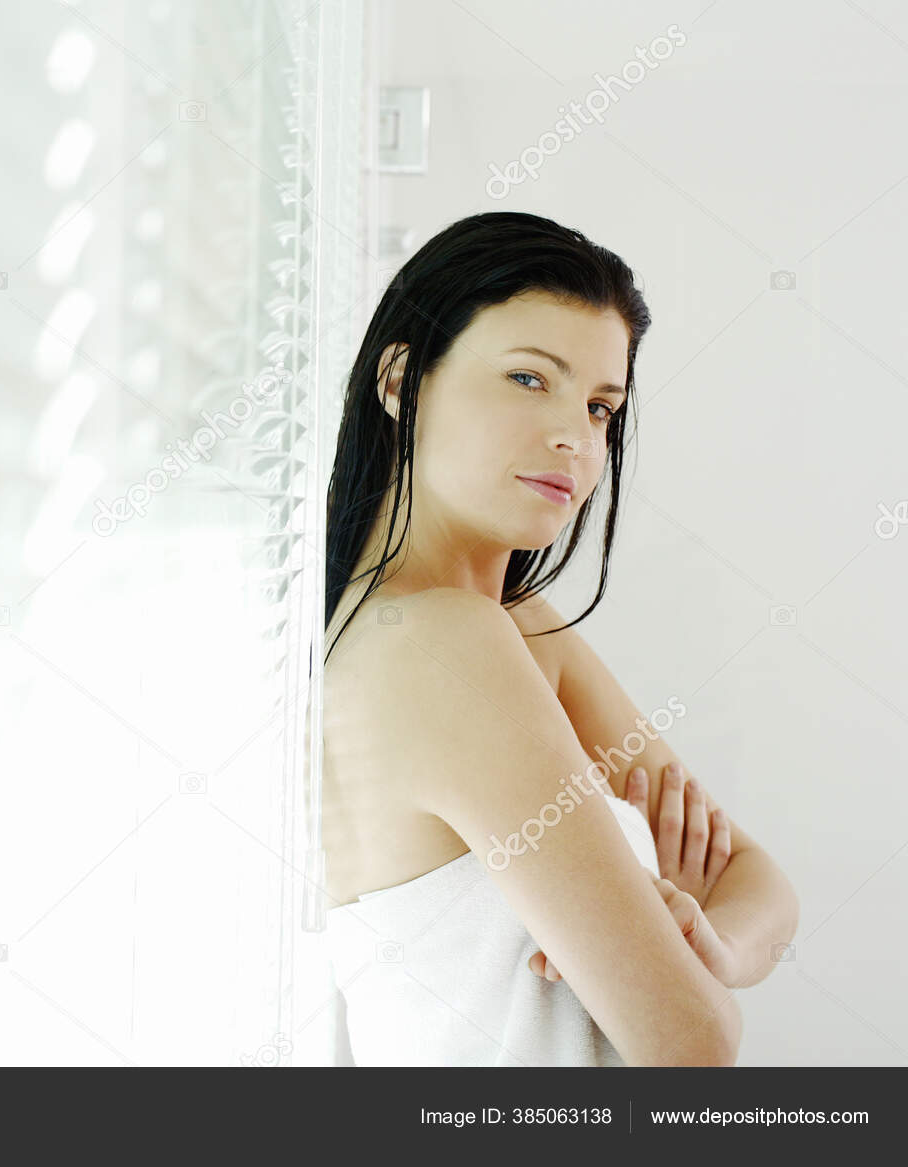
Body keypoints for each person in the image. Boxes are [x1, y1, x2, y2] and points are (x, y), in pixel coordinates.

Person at [319, 211, 799, 1066]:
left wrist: (708, 943)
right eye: (529, 378)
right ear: (401, 381)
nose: (575, 436)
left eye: (601, 405)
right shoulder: (440, 644)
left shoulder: (516, 621)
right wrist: (693, 976)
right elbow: (692, 1042)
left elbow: (754, 879)